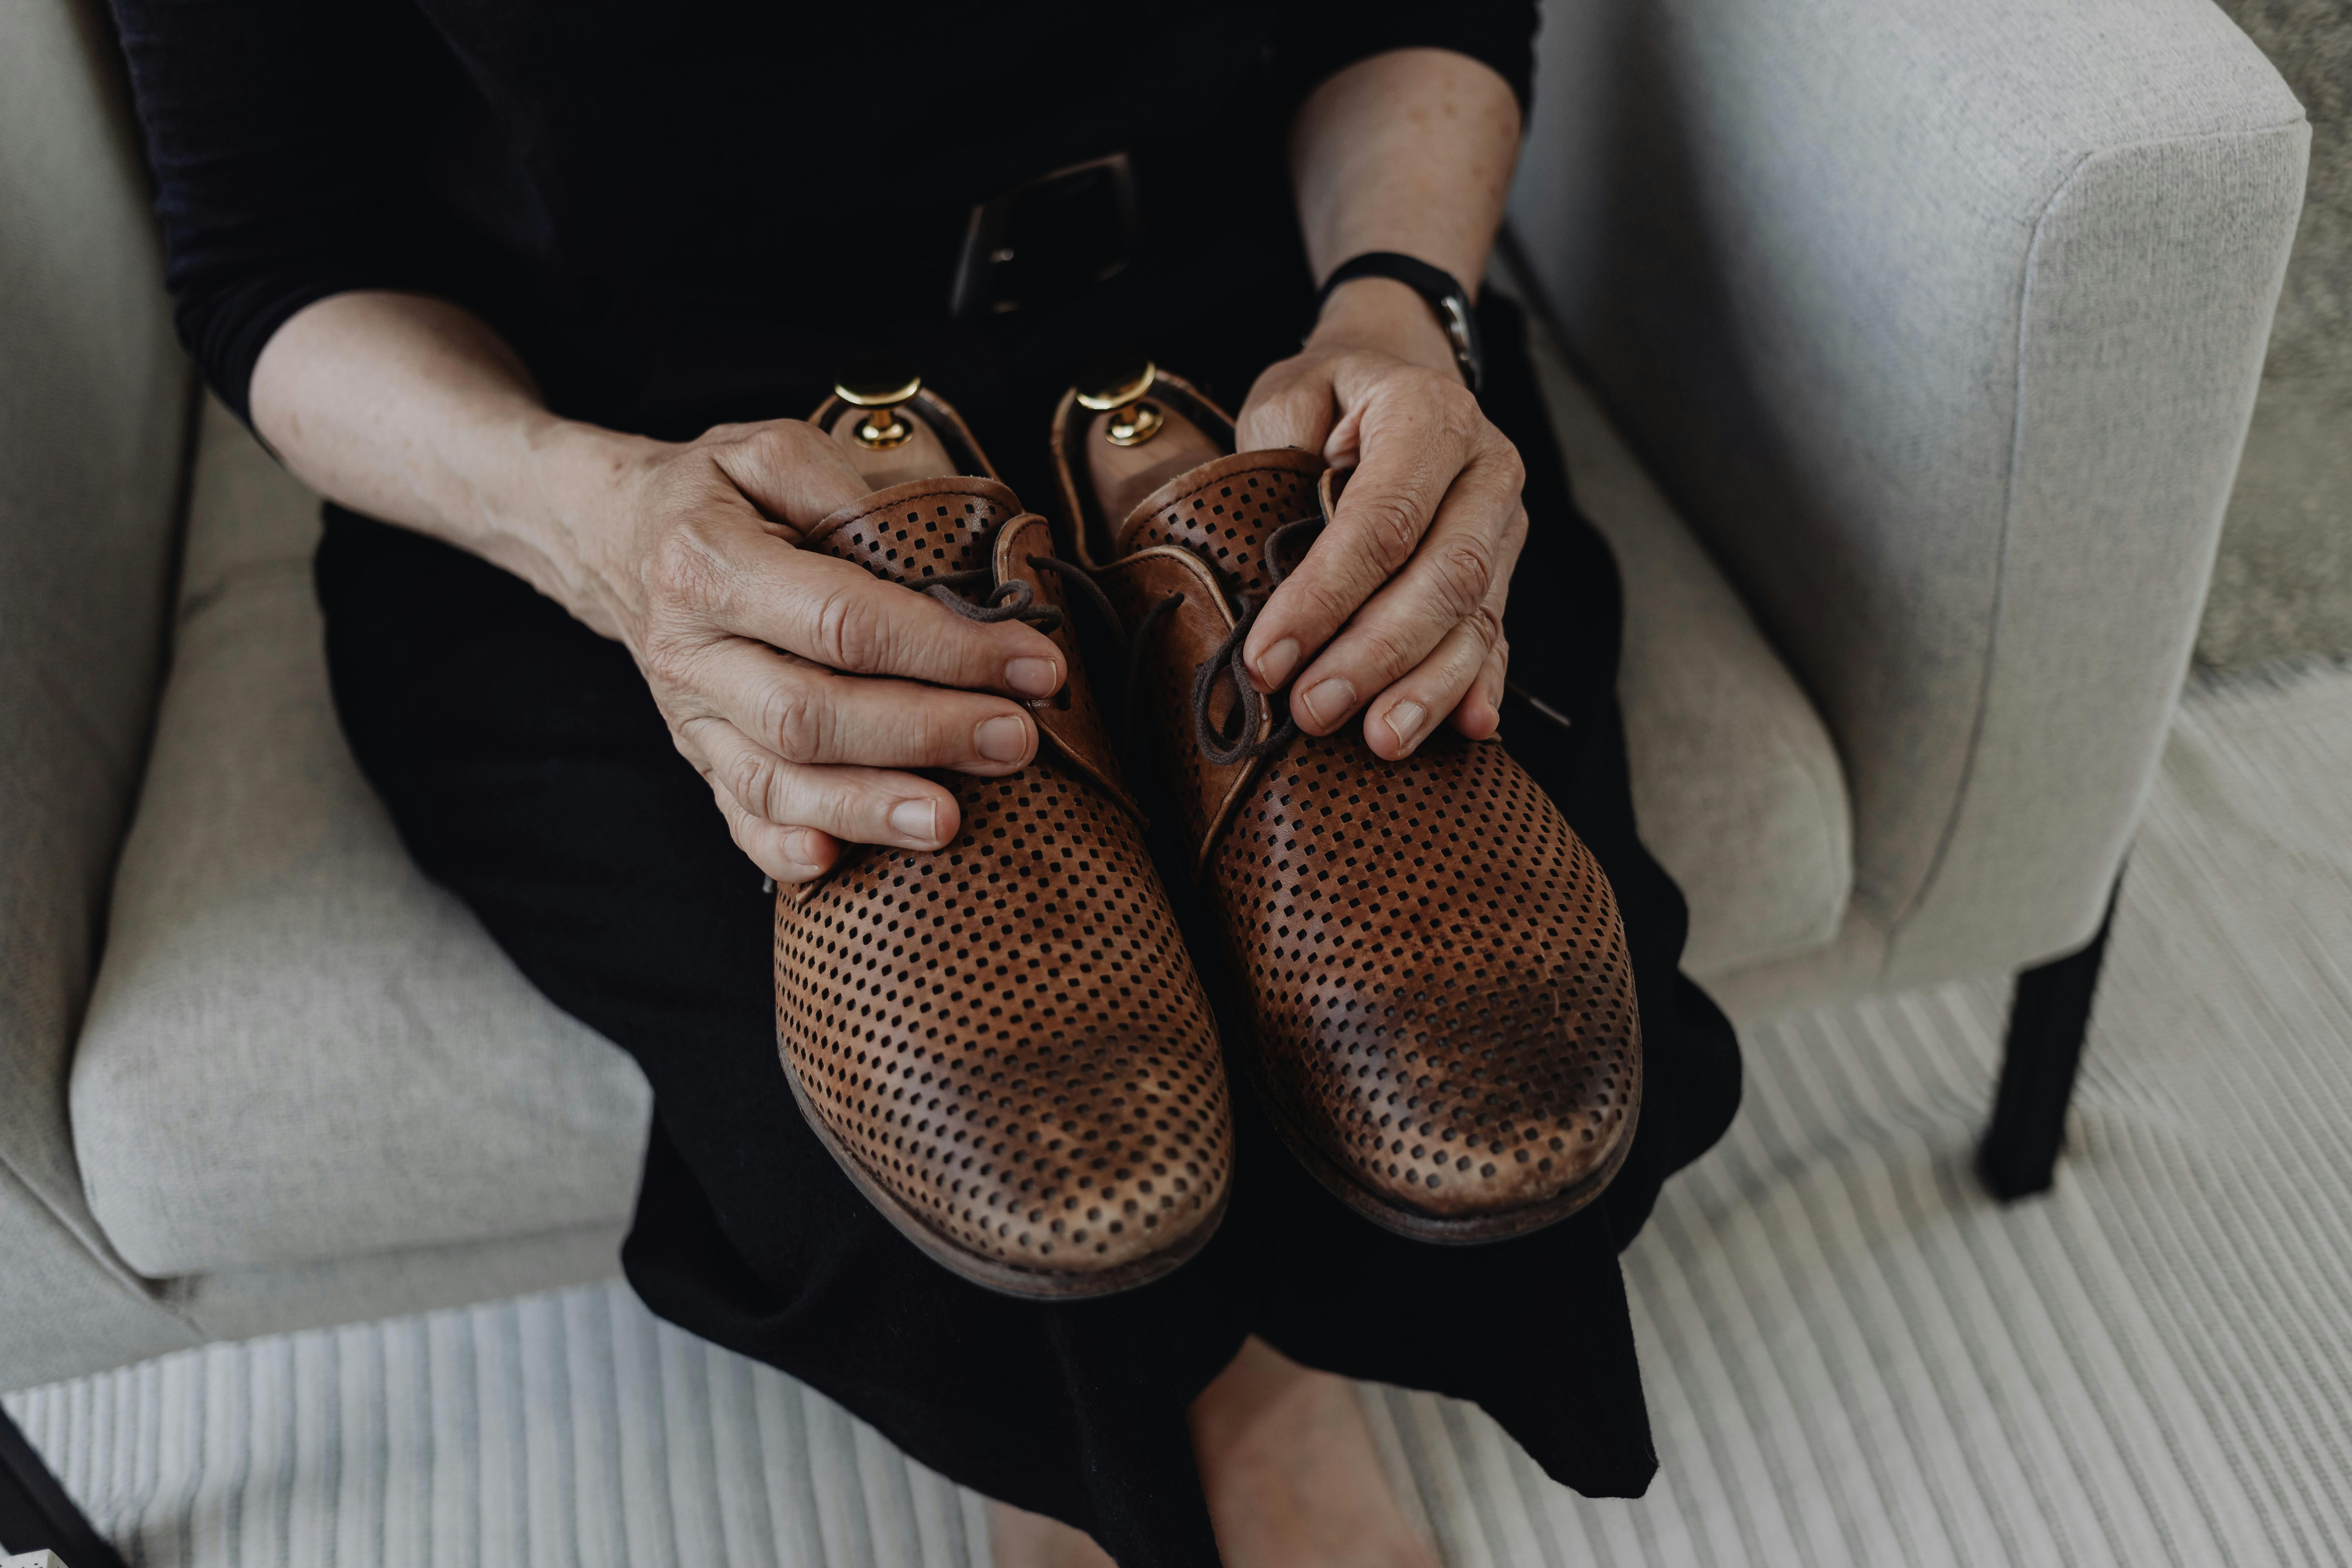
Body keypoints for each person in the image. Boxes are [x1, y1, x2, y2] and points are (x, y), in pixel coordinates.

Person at [111, 2, 1741, 1562]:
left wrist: (1401, 309)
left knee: (1495, 1066)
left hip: (1246, 334)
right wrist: (605, 529)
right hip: (623, 445)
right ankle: (1124, 1423)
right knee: (979, 1195)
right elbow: (279, 249)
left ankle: (1263, 1384)